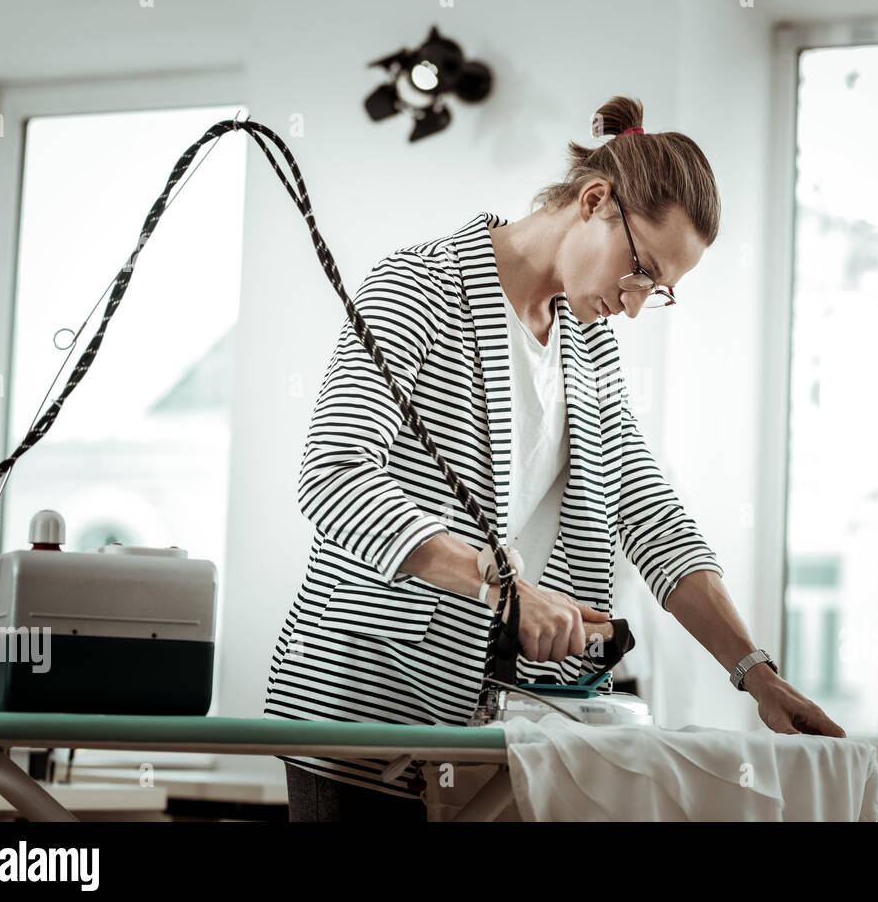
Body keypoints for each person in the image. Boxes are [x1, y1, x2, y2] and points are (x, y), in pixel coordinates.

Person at [266, 95, 845, 823]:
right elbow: (334, 477)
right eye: (640, 271)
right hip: (367, 710)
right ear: (595, 200)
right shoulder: (420, 286)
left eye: (657, 292)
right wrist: (499, 587)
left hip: (502, 731)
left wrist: (755, 673)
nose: (635, 306)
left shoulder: (588, 344)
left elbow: (649, 514)